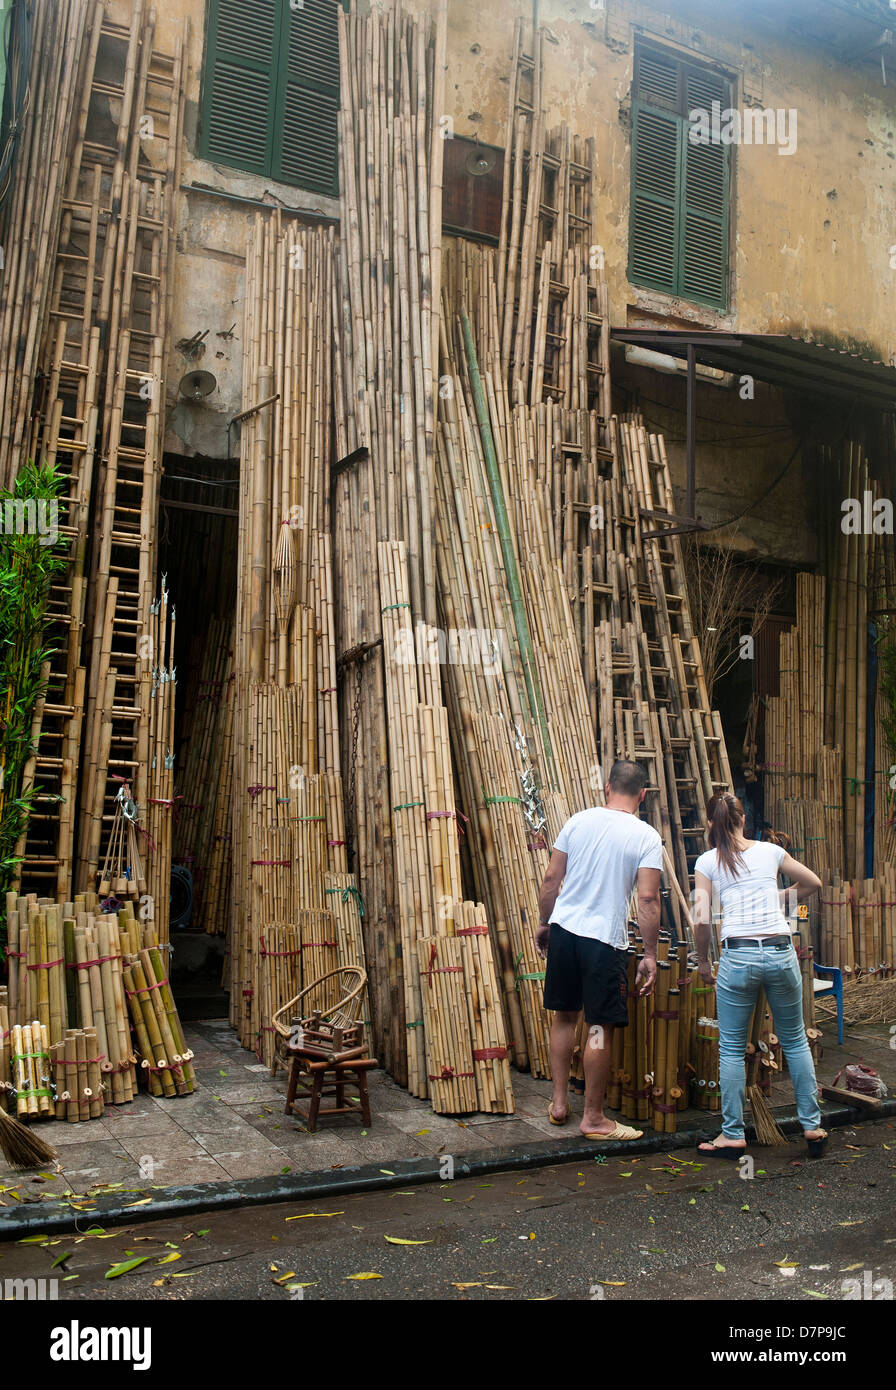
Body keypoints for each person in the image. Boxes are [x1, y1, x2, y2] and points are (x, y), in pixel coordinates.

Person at [692, 792, 827, 1159]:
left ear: (711, 824)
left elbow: (701, 917)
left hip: (739, 956)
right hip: (781, 952)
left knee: (732, 1050)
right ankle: (813, 1127)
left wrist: (702, 961)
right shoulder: (770, 851)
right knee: (796, 1041)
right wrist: (781, 897)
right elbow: (813, 882)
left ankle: (732, 1134)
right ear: (743, 821)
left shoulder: (706, 861)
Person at [535, 759, 662, 1141]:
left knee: (563, 1017)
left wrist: (545, 923)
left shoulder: (578, 820)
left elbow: (550, 880)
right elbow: (648, 899)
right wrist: (650, 953)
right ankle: (593, 1117)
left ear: (608, 787)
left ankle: (559, 1104)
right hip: (603, 941)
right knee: (597, 1028)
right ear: (642, 795)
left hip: (565, 933)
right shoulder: (645, 836)